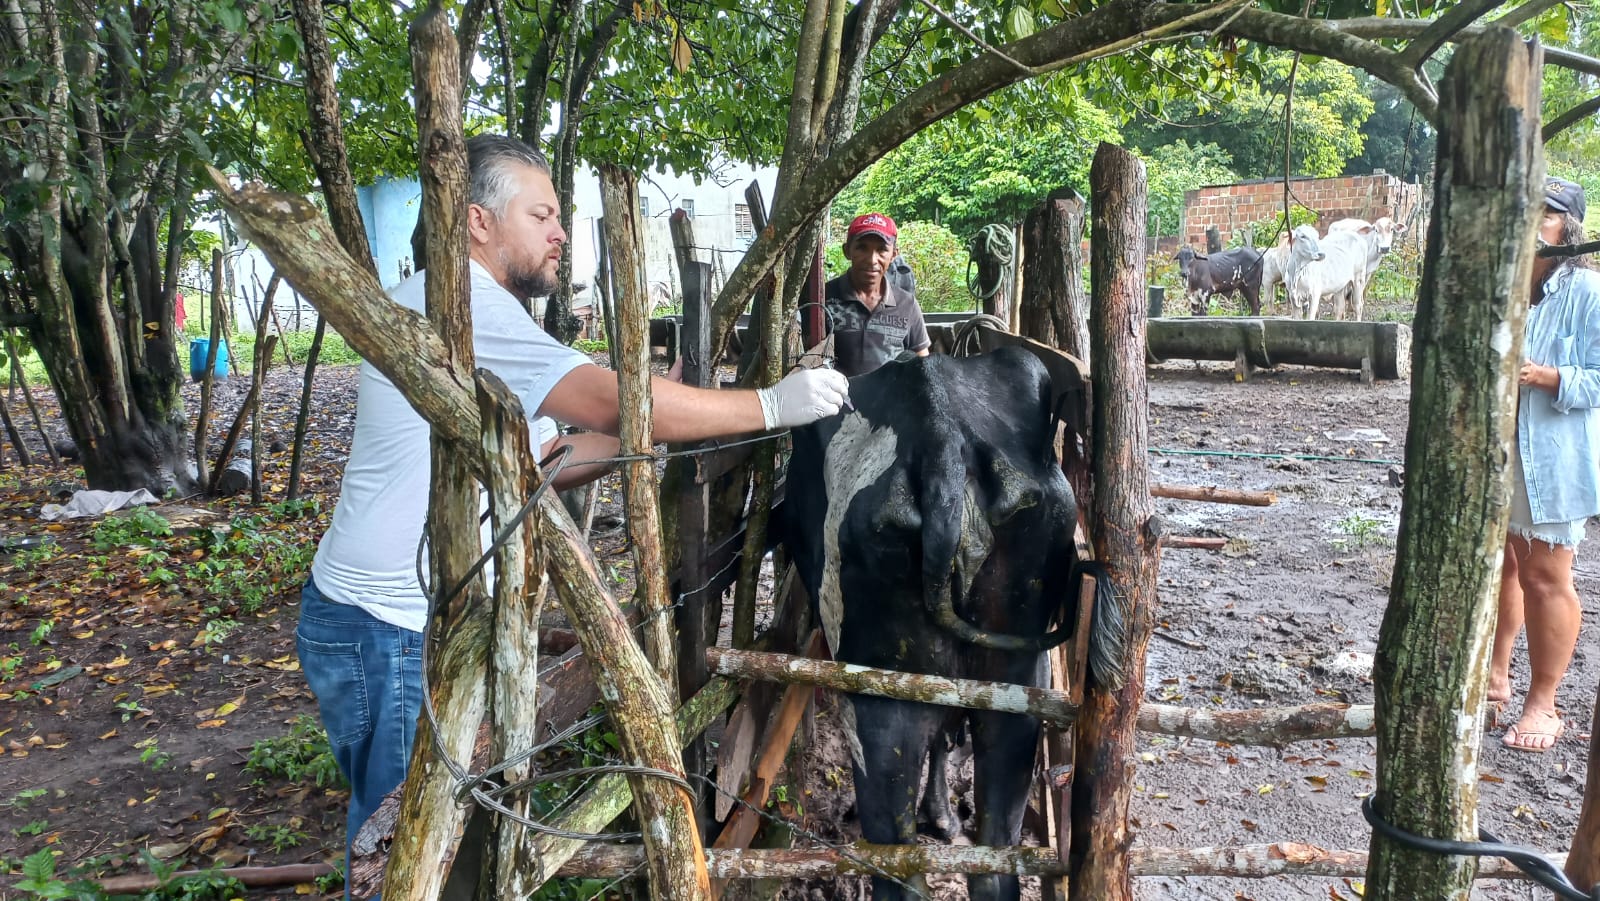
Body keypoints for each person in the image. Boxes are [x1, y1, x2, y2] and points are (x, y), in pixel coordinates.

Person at [297, 133, 849, 894]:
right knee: (404, 851)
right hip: (382, 621)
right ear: (479, 221)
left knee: (438, 832)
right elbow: (603, 396)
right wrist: (764, 405)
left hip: (410, 610)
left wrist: (651, 417)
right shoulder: (458, 304)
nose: (560, 232)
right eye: (542, 213)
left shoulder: (465, 307)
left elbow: (544, 459)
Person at [1488, 177, 1600, 752]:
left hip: (1551, 455)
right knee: (1504, 564)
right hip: (1491, 449)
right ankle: (1497, 673)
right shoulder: (1498, 283)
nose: (1534, 223)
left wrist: (1547, 377)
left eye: (1548, 215)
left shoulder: (1586, 289)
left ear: (1567, 230)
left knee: (1546, 575)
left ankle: (1544, 704)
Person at [823, 212, 932, 377]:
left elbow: (923, 364)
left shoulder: (907, 304)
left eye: (882, 250)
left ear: (893, 254)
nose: (872, 260)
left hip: (892, 401)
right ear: (847, 251)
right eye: (862, 248)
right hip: (837, 401)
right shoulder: (823, 299)